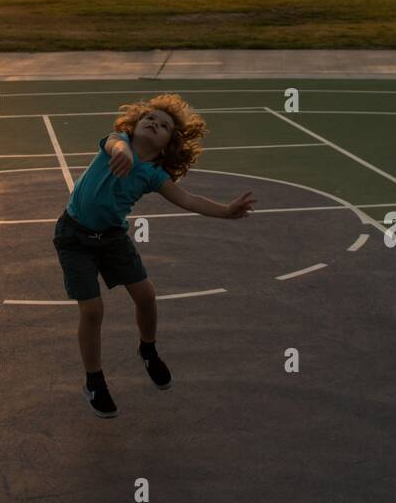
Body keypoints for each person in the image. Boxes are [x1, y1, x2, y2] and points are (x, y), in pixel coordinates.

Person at [52, 95, 255, 418]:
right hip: (73, 236)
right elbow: (114, 146)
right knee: (92, 310)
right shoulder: (117, 142)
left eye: (163, 126)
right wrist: (121, 151)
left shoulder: (153, 175)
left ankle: (148, 349)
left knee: (146, 296)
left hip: (112, 239)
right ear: (134, 126)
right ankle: (94, 381)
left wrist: (226, 211)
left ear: (166, 147)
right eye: (150, 118)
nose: (155, 124)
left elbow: (188, 199)